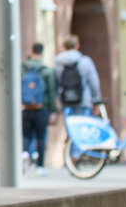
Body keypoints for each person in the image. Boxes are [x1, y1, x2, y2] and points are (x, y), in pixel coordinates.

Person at [21, 42, 57, 177]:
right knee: (40, 137)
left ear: (31, 51)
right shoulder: (47, 70)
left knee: (26, 135)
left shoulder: (23, 68)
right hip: (42, 108)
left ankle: (25, 153)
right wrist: (53, 110)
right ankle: (40, 166)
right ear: (42, 53)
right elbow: (52, 92)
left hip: (25, 106)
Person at [54, 34, 102, 116]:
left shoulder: (57, 63)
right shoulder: (85, 61)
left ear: (64, 47)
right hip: (84, 102)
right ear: (77, 46)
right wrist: (96, 101)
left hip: (65, 102)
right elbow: (94, 82)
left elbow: (55, 84)